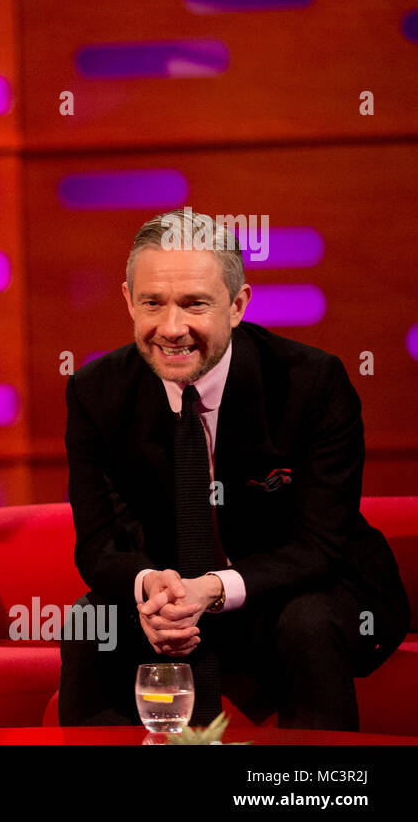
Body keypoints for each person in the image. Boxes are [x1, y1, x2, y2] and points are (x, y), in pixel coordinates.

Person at [58, 208, 410, 730]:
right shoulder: (95, 392)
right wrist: (152, 586)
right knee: (90, 623)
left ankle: (314, 787)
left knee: (307, 622)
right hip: (175, 600)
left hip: (297, 590)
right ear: (129, 300)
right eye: (152, 302)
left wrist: (214, 589)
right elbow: (98, 544)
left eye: (194, 304)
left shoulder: (310, 382)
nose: (171, 329)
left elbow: (320, 545)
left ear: (238, 304)